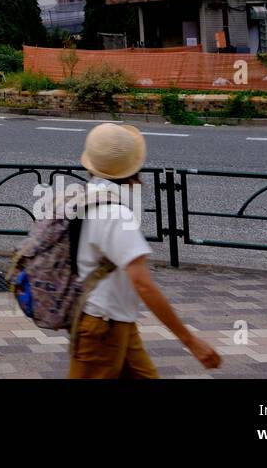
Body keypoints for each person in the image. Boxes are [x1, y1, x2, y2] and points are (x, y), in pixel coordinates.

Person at [68, 123, 222, 379]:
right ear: (132, 167)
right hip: (102, 328)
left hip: (114, 322)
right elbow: (143, 284)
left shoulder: (88, 195)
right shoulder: (116, 213)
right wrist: (190, 340)